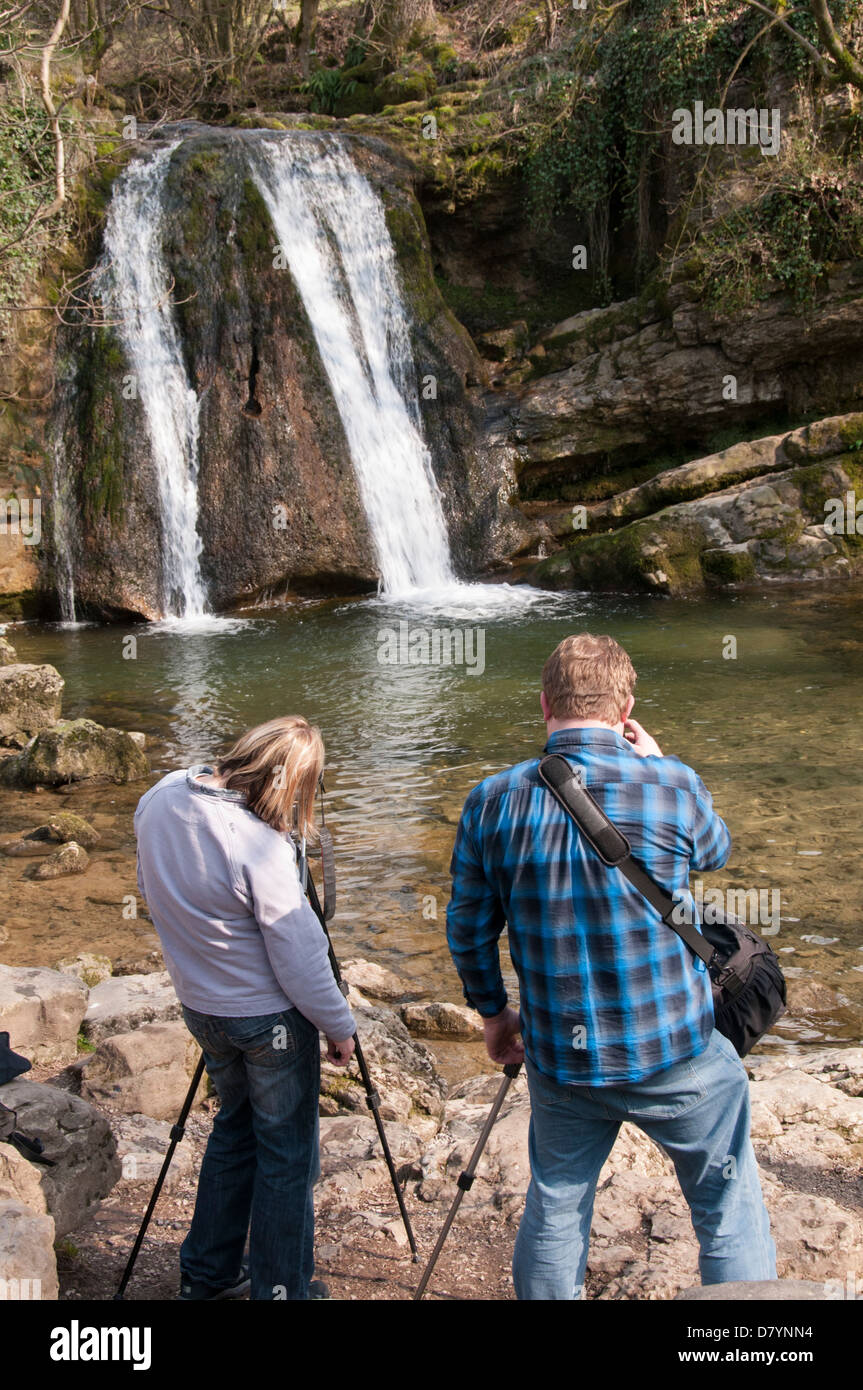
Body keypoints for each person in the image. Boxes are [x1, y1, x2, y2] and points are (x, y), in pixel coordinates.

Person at [446, 633, 776, 1300]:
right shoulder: (671, 784)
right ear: (625, 707)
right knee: (725, 1202)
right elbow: (713, 849)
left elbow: (467, 930)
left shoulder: (489, 800)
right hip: (675, 1050)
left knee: (557, 1205)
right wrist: (659, 760)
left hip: (563, 1062)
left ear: (544, 705)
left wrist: (492, 1015)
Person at [134, 715, 357, 1302]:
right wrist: (339, 1026)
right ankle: (282, 1288)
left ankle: (207, 1276)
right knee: (287, 1154)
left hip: (200, 1004)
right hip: (268, 1021)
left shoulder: (160, 798)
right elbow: (301, 954)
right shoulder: (258, 843)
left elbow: (151, 886)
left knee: (234, 1130)